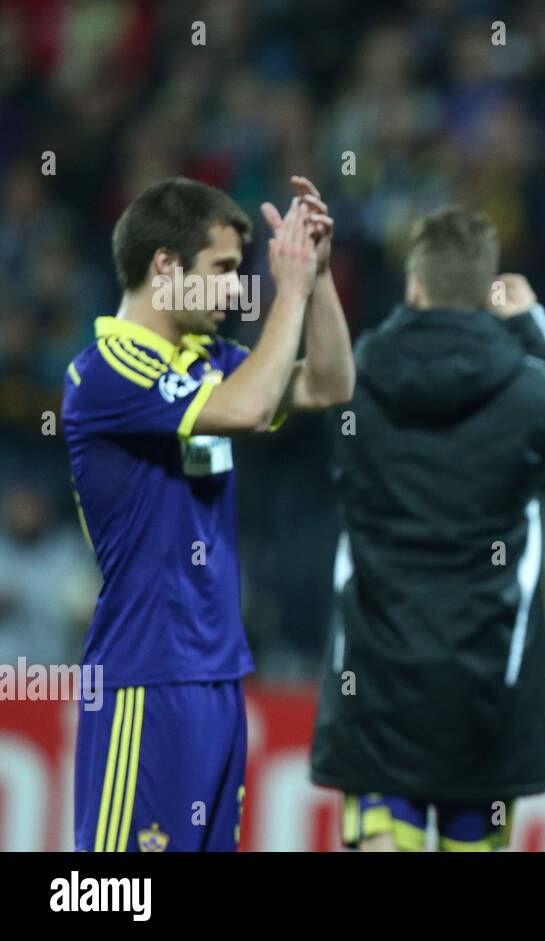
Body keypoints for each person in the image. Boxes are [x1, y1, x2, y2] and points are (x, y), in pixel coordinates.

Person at [63, 175, 354, 852]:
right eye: (222, 270)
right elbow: (249, 409)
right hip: (146, 676)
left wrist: (317, 276)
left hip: (215, 675)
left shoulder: (209, 360)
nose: (234, 290)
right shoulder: (108, 370)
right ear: (165, 265)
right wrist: (289, 293)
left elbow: (332, 381)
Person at [310, 208, 545, 851]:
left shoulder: (352, 383)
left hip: (375, 679)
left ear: (413, 286)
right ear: (487, 294)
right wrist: (528, 322)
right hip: (488, 688)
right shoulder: (529, 391)